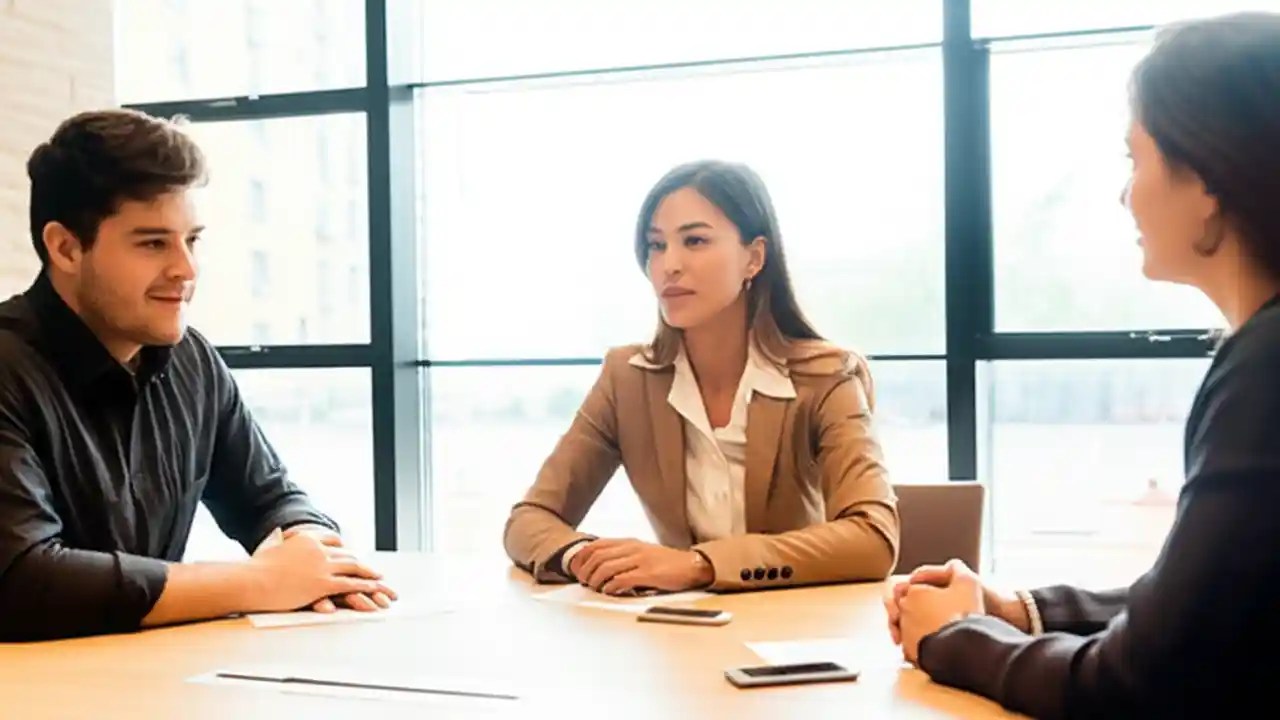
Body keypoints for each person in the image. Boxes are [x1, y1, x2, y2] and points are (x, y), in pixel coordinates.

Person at [884, 13, 1280, 718]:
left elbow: (1136, 683)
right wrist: (1019, 609)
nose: (1125, 193)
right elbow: (1208, 599)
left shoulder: (1266, 369)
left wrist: (956, 638)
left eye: (1136, 157)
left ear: (1209, 176)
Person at [0, 109, 396, 641]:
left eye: (193, 240)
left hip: (145, 683)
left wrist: (310, 552)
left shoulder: (192, 360)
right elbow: (23, 582)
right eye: (153, 243)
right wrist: (259, 584)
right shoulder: (8, 366)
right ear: (66, 247)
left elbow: (270, 498)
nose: (186, 269)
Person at [504, 160, 899, 595]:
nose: (668, 265)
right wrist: (587, 558)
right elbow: (530, 519)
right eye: (656, 246)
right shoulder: (628, 379)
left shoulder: (826, 378)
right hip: (682, 634)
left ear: (754, 258)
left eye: (694, 240)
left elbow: (873, 538)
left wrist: (698, 566)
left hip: (796, 635)